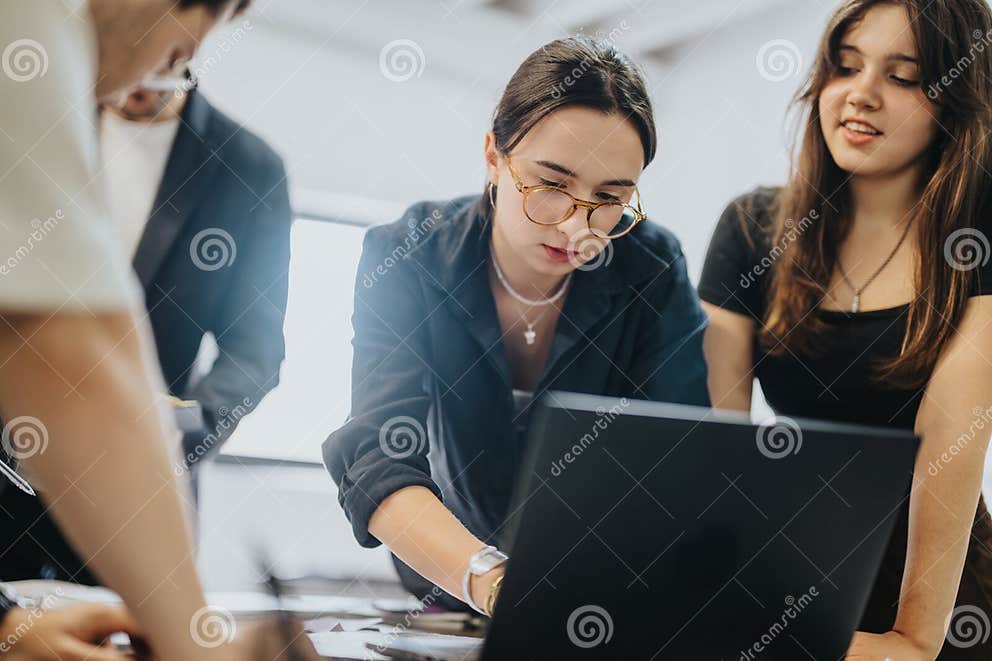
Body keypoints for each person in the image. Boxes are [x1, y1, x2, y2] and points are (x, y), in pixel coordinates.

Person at [324, 36, 710, 616]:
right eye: (551, 184)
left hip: (594, 596)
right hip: (445, 577)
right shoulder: (407, 257)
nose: (576, 225)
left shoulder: (650, 267)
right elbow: (378, 455)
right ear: (492, 156)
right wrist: (489, 579)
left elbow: (678, 456)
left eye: (609, 198)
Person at [0, 1, 317, 659]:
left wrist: (182, 421)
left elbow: (256, 349)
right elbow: (67, 348)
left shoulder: (249, 169)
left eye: (175, 66)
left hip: (131, 481)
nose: (130, 87)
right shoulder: (33, 51)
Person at [698, 1, 992, 659]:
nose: (862, 94)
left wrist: (911, 640)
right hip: (793, 564)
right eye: (846, 66)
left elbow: (950, 444)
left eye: (904, 76)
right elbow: (714, 449)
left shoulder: (976, 238)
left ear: (954, 99)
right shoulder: (752, 230)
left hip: (936, 584)